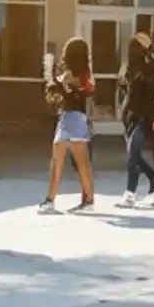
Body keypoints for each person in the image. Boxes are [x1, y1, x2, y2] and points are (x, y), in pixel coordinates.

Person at [38, 38, 96, 214]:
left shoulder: (80, 75)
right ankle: (50, 200)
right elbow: (58, 89)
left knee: (81, 163)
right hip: (67, 118)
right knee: (57, 159)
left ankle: (88, 201)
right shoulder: (76, 74)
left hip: (76, 119)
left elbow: (64, 85)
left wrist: (49, 72)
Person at [115, 33, 154, 208]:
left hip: (143, 116)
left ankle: (130, 193)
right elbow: (123, 92)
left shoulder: (149, 67)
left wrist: (151, 47)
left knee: (134, 152)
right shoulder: (129, 69)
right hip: (131, 116)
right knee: (134, 154)